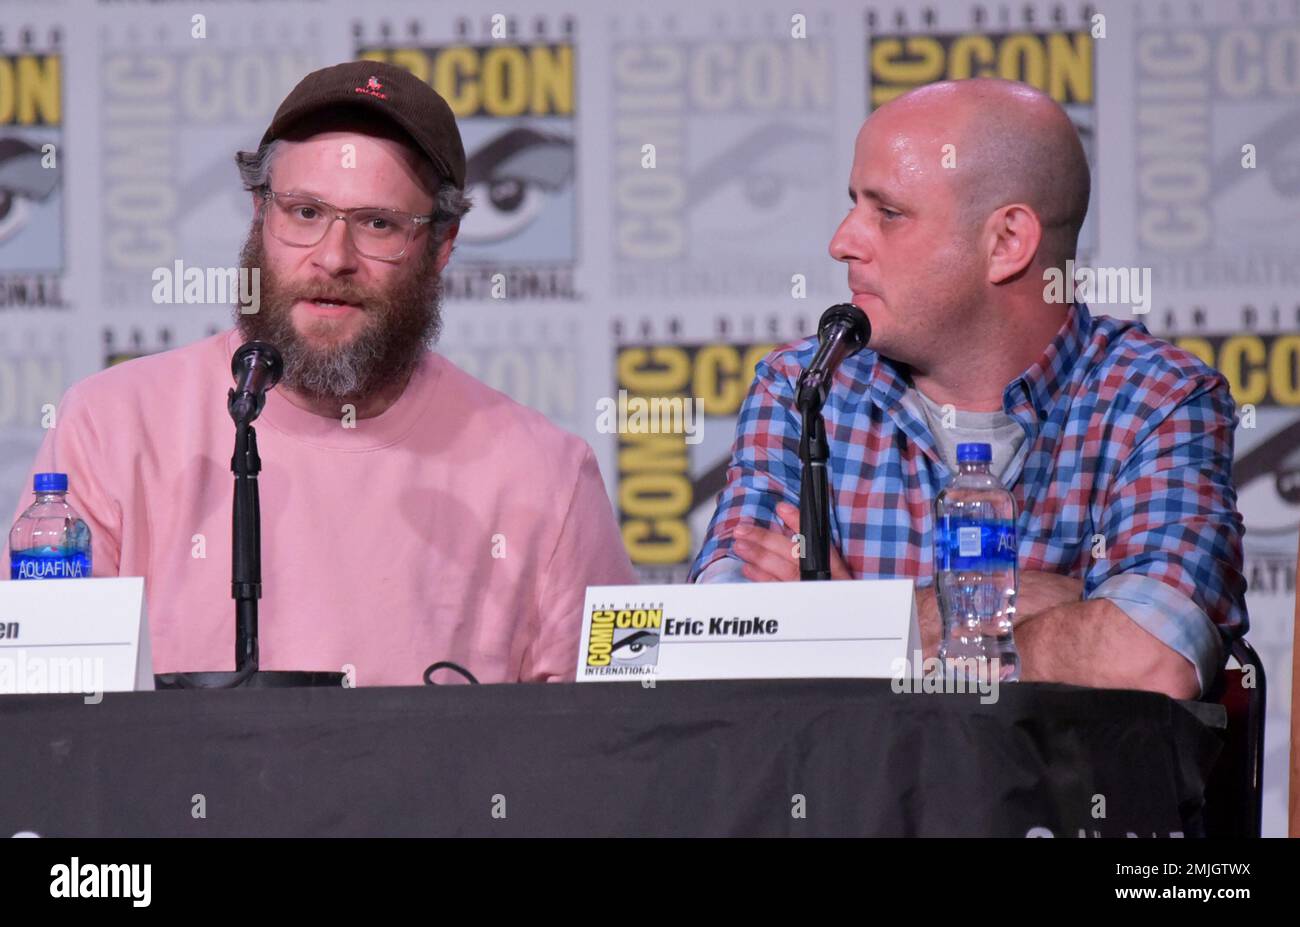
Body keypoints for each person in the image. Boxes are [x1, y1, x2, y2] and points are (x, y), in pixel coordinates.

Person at [9, 60, 636, 684]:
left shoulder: (544, 476)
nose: (334, 258)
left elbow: (608, 751)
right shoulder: (111, 428)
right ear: (260, 215)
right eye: (305, 213)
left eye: (379, 224)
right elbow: (54, 726)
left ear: (442, 246)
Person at [690, 78, 1247, 700]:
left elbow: (1149, 659)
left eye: (889, 213)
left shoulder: (1157, 399)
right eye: (855, 204)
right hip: (850, 799)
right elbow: (719, 641)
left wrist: (859, 630)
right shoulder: (805, 386)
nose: (843, 241)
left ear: (1007, 243)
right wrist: (1031, 599)